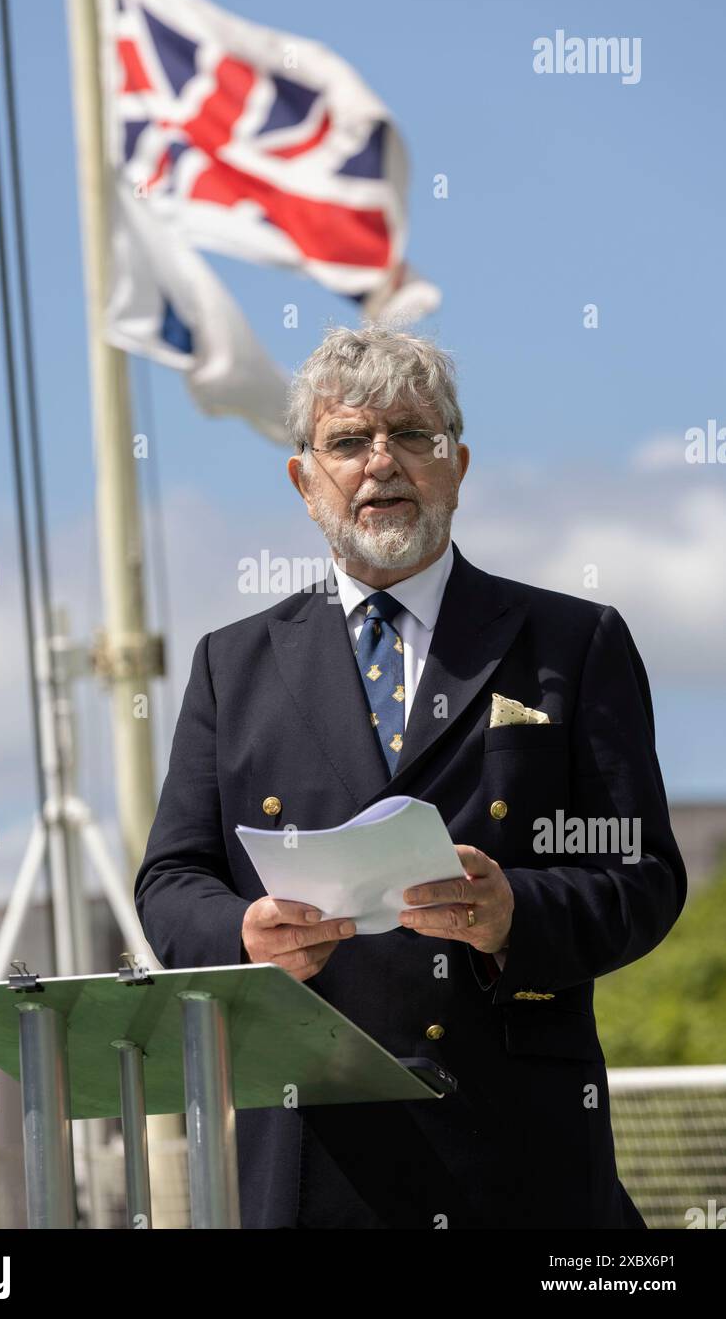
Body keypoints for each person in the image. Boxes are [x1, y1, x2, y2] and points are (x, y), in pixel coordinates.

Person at [134, 325, 686, 1229]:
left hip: (520, 1156)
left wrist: (518, 914)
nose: (380, 462)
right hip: (314, 1152)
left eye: (413, 436)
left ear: (457, 465)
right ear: (303, 479)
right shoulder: (229, 667)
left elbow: (642, 875)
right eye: (348, 441)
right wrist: (244, 933)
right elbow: (167, 882)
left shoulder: (572, 643)